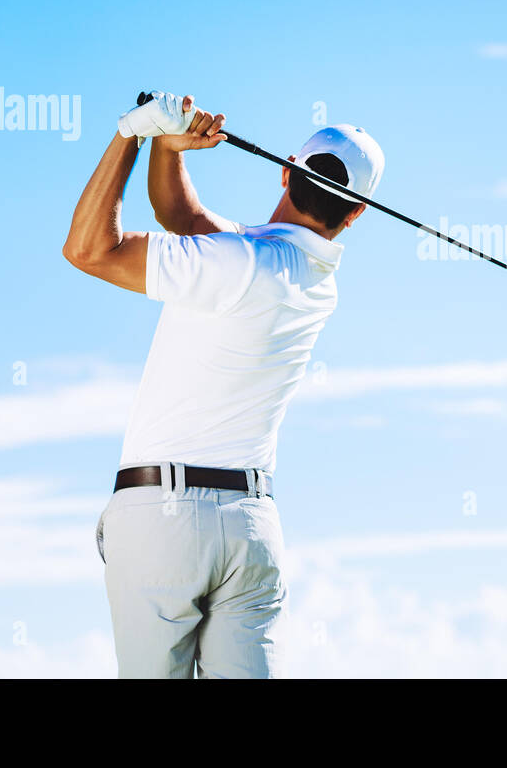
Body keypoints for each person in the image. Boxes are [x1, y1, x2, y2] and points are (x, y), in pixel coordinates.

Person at [62, 91, 384, 678]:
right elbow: (181, 219)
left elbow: (88, 249)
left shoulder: (237, 260)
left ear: (287, 171)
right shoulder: (308, 276)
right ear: (356, 212)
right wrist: (170, 146)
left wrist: (130, 135)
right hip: (251, 528)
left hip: (162, 519)